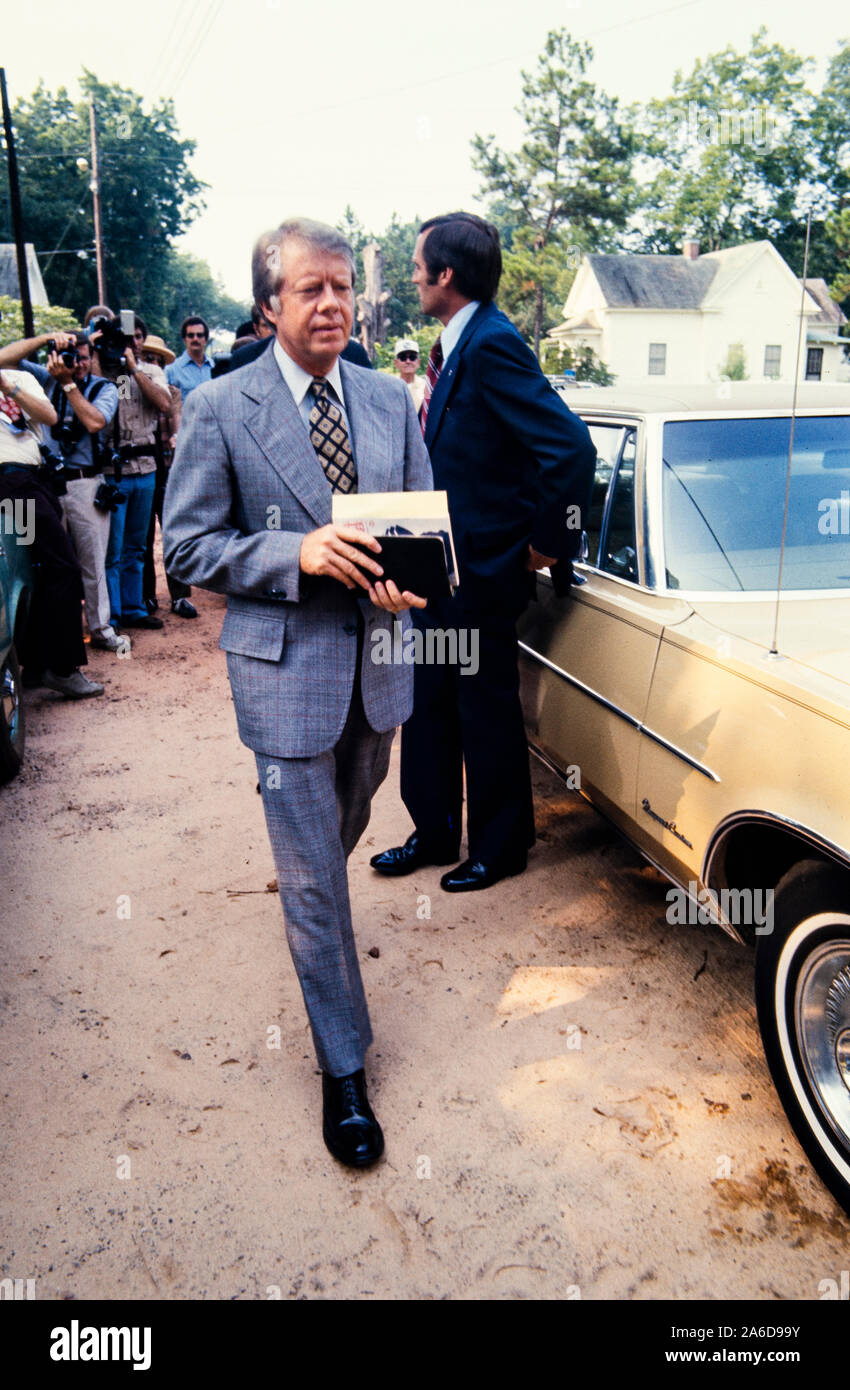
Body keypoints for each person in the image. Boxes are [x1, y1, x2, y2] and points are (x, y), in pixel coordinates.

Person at [163, 217, 431, 1167]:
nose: (332, 304)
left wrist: (414, 578)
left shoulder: (392, 402)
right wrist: (295, 552)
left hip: (378, 673)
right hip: (282, 679)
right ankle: (344, 1071)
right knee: (316, 876)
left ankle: (316, 926)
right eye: (310, 289)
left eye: (344, 287)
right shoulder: (221, 410)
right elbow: (186, 551)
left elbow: (417, 526)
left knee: (342, 838)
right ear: (269, 305)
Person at [371, 212, 596, 892]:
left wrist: (545, 545)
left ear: (446, 275)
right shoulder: (454, 345)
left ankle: (500, 847)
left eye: (418, 265)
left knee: (484, 711)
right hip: (440, 565)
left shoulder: (493, 343)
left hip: (485, 573)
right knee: (430, 700)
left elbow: (570, 447)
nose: (412, 275)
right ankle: (435, 831)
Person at [0, 330, 123, 653]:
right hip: (44, 484)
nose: (77, 363)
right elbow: (4, 359)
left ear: (93, 357)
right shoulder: (44, 377)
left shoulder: (104, 387)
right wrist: (45, 340)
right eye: (71, 357)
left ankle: (100, 628)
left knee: (90, 563)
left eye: (83, 357)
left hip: (85, 483)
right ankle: (46, 643)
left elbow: (95, 422)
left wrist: (68, 384)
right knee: (40, 562)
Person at [0, 367, 103, 698]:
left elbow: (49, 417)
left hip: (33, 482)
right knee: (62, 567)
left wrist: (7, 384)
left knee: (40, 569)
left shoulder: (19, 378)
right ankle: (62, 667)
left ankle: (37, 666)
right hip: (13, 485)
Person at [103, 316, 174, 632]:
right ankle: (113, 613)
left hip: (146, 469)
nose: (130, 343)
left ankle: (134, 607)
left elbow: (163, 402)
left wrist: (133, 368)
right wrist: (104, 355)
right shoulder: (104, 374)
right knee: (113, 548)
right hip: (114, 471)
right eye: (124, 338)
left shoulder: (151, 371)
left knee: (137, 545)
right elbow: (112, 404)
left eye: (135, 337)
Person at [139, 336, 197, 619]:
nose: (151, 364)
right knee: (143, 537)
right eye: (146, 358)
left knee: (174, 533)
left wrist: (178, 435)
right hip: (141, 468)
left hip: (168, 469)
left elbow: (176, 418)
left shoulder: (172, 391)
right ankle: (146, 595)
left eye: (156, 360)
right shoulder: (131, 389)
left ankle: (180, 596)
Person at [166, 316, 213, 401]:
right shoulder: (171, 369)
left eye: (199, 335)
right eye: (191, 335)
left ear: (206, 339)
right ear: (185, 339)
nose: (195, 339)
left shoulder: (214, 367)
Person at [393, 337, 425, 410]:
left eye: (412, 357)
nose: (408, 361)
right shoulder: (389, 386)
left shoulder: (426, 388)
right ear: (396, 363)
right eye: (403, 357)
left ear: (418, 362)